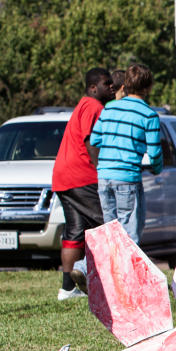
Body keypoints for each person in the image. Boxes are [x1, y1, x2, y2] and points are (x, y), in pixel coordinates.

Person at [52, 68, 115, 300]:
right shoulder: (93, 106)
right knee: (106, 225)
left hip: (63, 177)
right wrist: (103, 171)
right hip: (82, 176)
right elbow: (91, 141)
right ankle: (99, 277)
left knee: (75, 231)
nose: (111, 86)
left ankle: (68, 287)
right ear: (92, 88)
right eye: (106, 83)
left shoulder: (83, 105)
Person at [90, 63, 161, 244]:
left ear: (125, 85)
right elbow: (154, 153)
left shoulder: (110, 108)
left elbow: (95, 140)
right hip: (127, 177)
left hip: (104, 175)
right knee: (129, 234)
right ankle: (122, 272)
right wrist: (156, 168)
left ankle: (93, 269)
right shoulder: (148, 115)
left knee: (110, 231)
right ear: (148, 87)